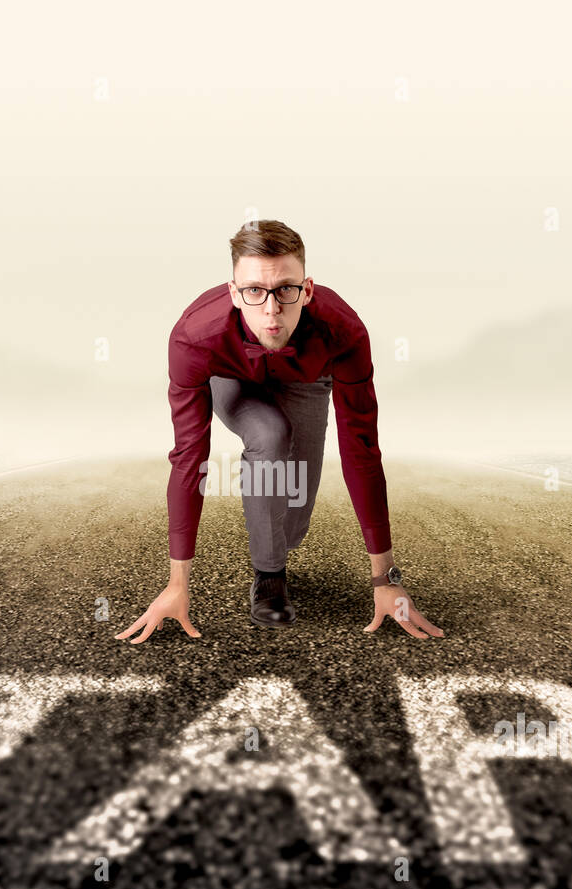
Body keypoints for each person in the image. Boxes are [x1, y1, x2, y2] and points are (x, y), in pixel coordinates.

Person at [117, 219, 443, 643]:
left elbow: (362, 449)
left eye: (285, 290)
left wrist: (386, 580)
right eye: (254, 291)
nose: (271, 310)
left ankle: (277, 540)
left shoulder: (344, 332)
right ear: (234, 294)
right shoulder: (192, 339)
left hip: (307, 377)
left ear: (307, 290)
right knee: (271, 435)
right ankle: (269, 579)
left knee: (292, 523)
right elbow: (188, 456)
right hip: (232, 377)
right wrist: (178, 584)